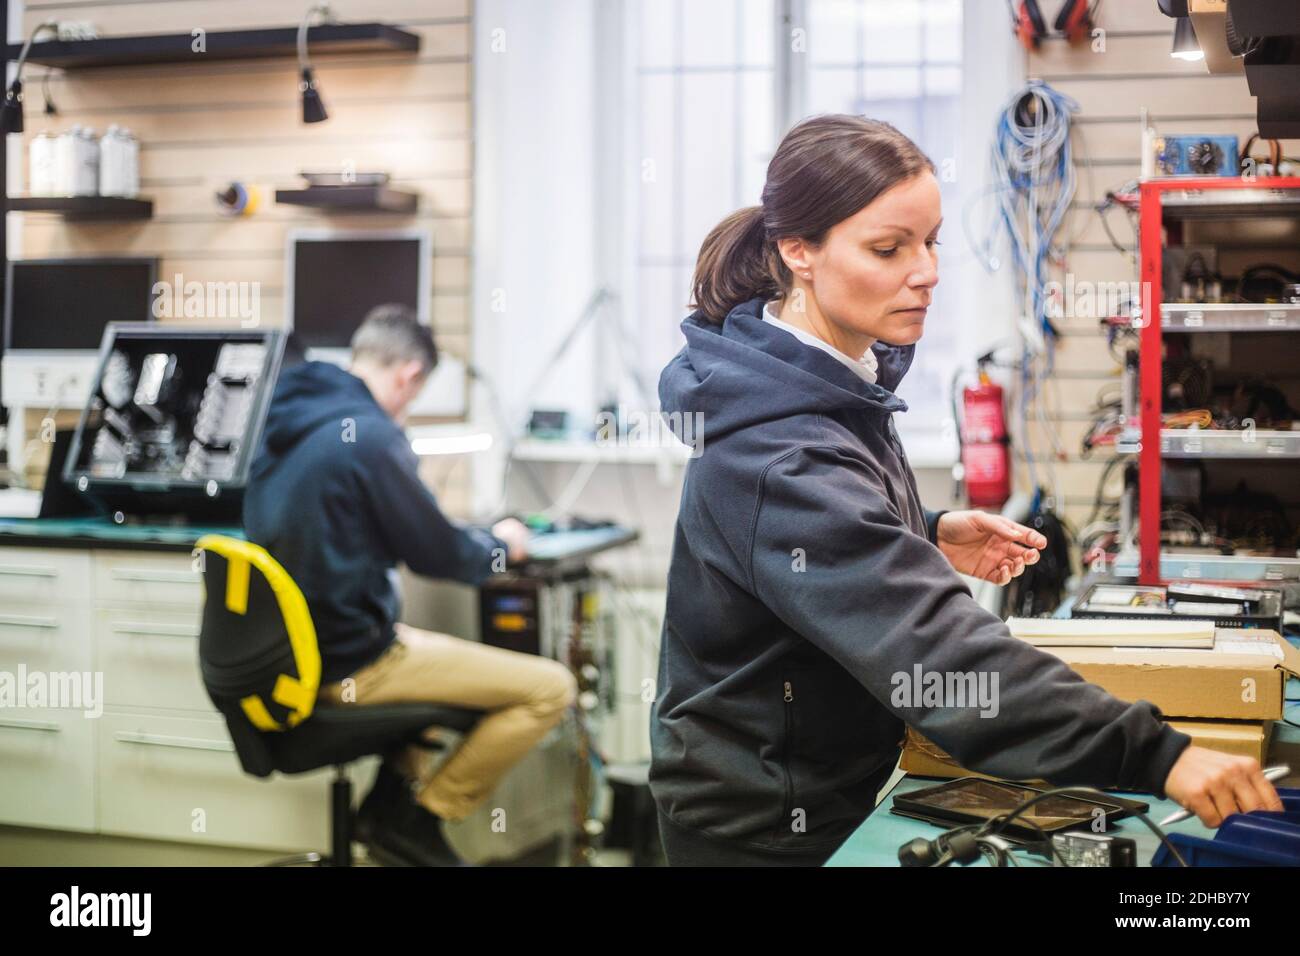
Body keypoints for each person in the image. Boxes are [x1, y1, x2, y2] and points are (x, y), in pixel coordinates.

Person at [649, 115, 1282, 867]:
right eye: (889, 248)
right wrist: (1159, 755)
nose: (927, 271)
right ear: (799, 252)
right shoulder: (775, 447)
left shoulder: (823, 376)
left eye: (931, 241)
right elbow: (938, 656)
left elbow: (816, 545)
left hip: (829, 776)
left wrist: (923, 529)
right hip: (760, 824)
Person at [244, 304, 577, 866]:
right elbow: (438, 553)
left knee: (424, 646)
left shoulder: (280, 422)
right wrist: (502, 546)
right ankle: (415, 820)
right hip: (352, 662)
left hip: (293, 657)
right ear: (409, 376)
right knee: (550, 688)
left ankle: (388, 809)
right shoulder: (371, 437)